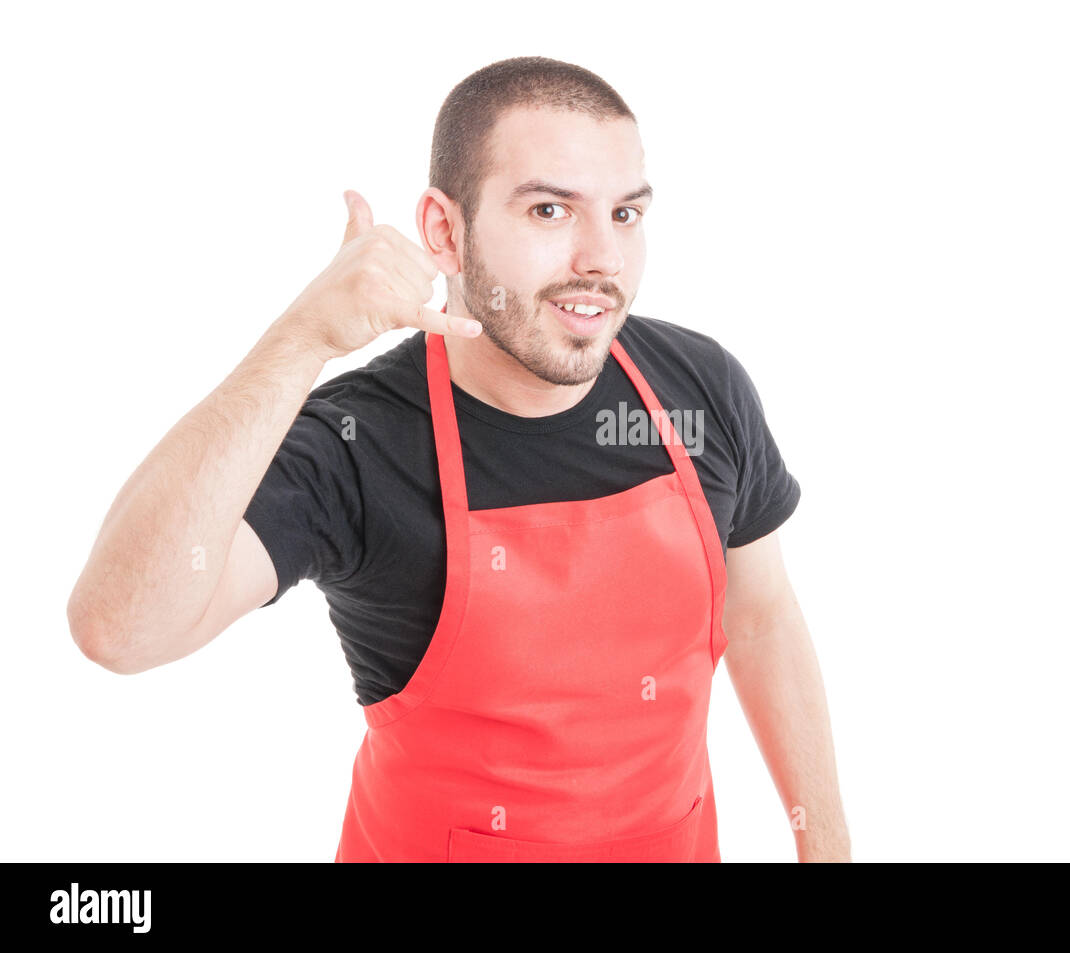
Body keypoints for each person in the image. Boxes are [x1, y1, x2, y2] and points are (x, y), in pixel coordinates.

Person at [66, 56, 850, 863]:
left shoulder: (701, 388)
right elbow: (118, 628)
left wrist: (825, 848)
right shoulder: (357, 446)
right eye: (551, 209)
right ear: (446, 231)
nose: (603, 258)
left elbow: (762, 619)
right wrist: (300, 342)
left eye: (625, 214)